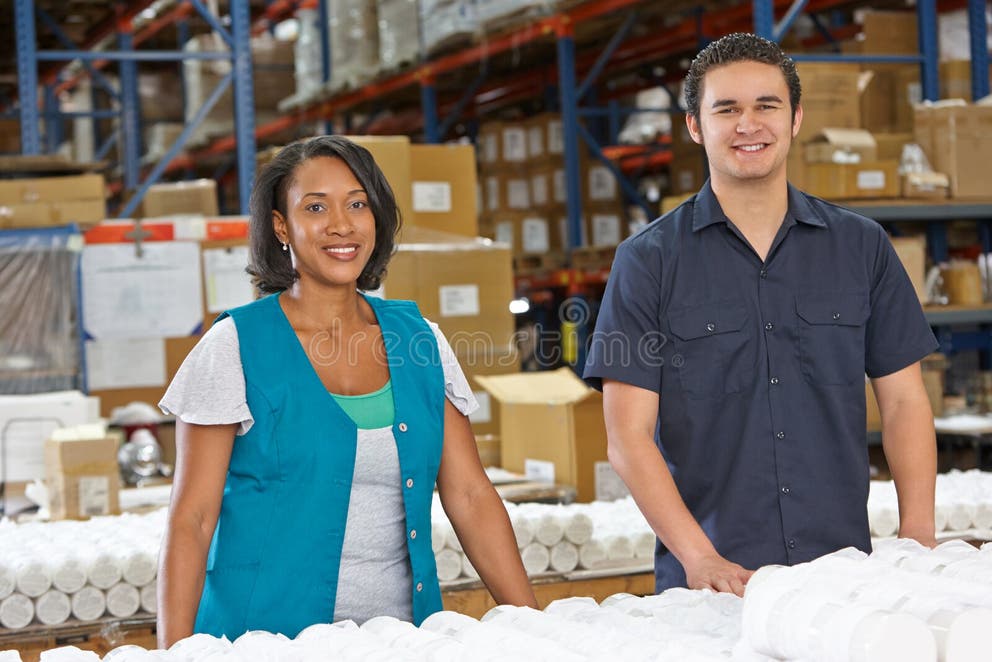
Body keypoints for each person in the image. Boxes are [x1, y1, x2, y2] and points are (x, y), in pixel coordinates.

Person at [583, 33, 938, 597]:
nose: (749, 125)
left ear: (795, 118)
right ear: (695, 126)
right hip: (712, 587)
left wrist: (918, 535)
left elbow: (904, 401)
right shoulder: (647, 261)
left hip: (842, 577)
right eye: (727, 109)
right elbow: (627, 437)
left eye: (766, 106)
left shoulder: (861, 247)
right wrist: (700, 559)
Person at [156, 135, 537, 646]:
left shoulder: (420, 340)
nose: (341, 224)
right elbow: (193, 520)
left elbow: (469, 495)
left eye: (357, 204)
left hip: (400, 641)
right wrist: (175, 656)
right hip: (264, 645)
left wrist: (537, 629)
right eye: (316, 207)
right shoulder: (234, 347)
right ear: (280, 226)